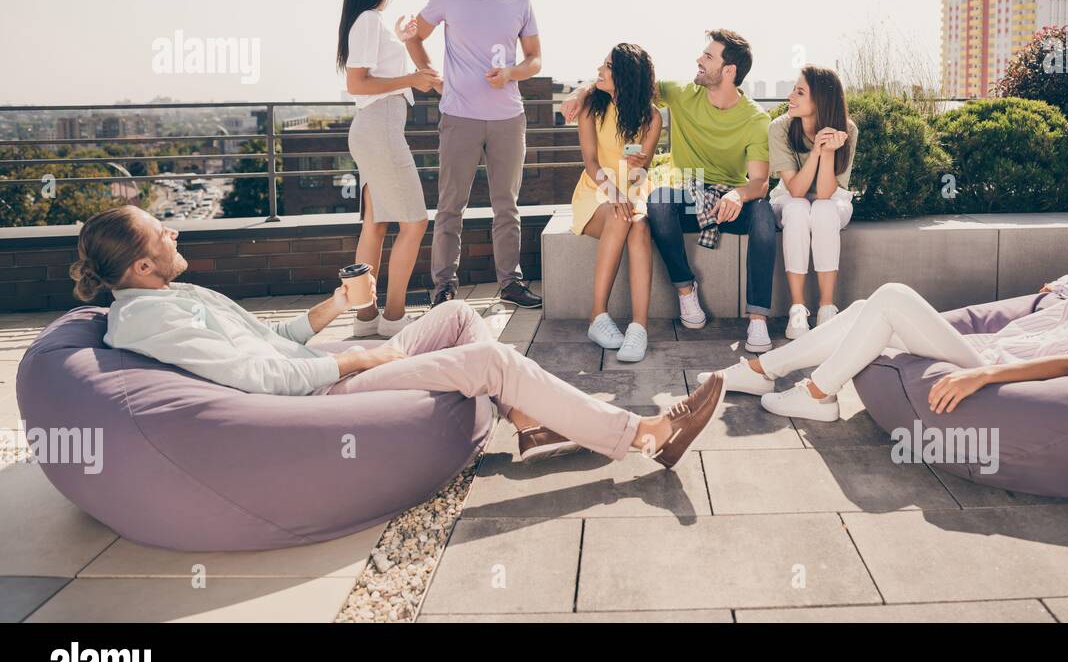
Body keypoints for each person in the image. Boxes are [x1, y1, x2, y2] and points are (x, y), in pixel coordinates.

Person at [72, 206, 725, 469]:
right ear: (140, 264)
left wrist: (334, 306)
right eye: (163, 233)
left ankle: (530, 421)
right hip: (318, 398)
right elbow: (259, 379)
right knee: (493, 358)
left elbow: (271, 343)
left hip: (321, 368)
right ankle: (641, 436)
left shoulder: (163, 295)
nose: (175, 234)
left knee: (461, 319)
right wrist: (360, 357)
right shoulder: (151, 319)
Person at [697, 210, 1068, 422]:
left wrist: (984, 374)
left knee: (894, 296)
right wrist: (1059, 287)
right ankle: (765, 374)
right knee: (863, 308)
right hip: (989, 351)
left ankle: (816, 394)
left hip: (993, 368)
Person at [562, 29, 777, 353]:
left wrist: (738, 194)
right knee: (654, 205)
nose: (698, 60)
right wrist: (579, 91)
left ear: (729, 70)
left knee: (761, 214)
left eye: (708, 56)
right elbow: (631, 80)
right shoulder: (679, 93)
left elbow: (760, 182)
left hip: (718, 197)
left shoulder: (754, 119)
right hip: (642, 191)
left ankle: (753, 320)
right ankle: (666, 298)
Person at [402, 0, 543, 309]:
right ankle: (444, 287)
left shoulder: (520, 1)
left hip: (507, 118)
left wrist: (512, 73)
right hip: (459, 115)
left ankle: (510, 284)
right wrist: (432, 77)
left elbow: (535, 59)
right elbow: (414, 35)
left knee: (506, 205)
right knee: (450, 206)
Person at [337, 0, 441, 338]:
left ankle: (366, 320)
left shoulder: (372, 22)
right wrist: (413, 79)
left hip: (373, 129)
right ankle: (394, 318)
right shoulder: (366, 21)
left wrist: (401, 42)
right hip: (378, 129)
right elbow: (357, 82)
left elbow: (379, 75)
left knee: (375, 225)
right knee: (414, 223)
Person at [570, 44, 662, 362]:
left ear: (624, 75)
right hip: (596, 190)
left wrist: (639, 163)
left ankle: (638, 329)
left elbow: (643, 168)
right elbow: (591, 161)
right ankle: (597, 316)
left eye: (608, 66)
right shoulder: (591, 108)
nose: (600, 69)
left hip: (633, 189)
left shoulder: (651, 117)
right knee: (620, 216)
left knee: (638, 226)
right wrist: (612, 190)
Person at [767, 65, 858, 338]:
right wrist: (817, 151)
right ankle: (797, 309)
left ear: (820, 100)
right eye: (794, 90)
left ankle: (827, 308)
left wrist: (829, 151)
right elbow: (795, 190)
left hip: (832, 201)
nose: (790, 97)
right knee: (797, 208)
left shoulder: (847, 130)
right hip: (788, 198)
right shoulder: (780, 128)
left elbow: (828, 192)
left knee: (823, 209)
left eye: (800, 92)